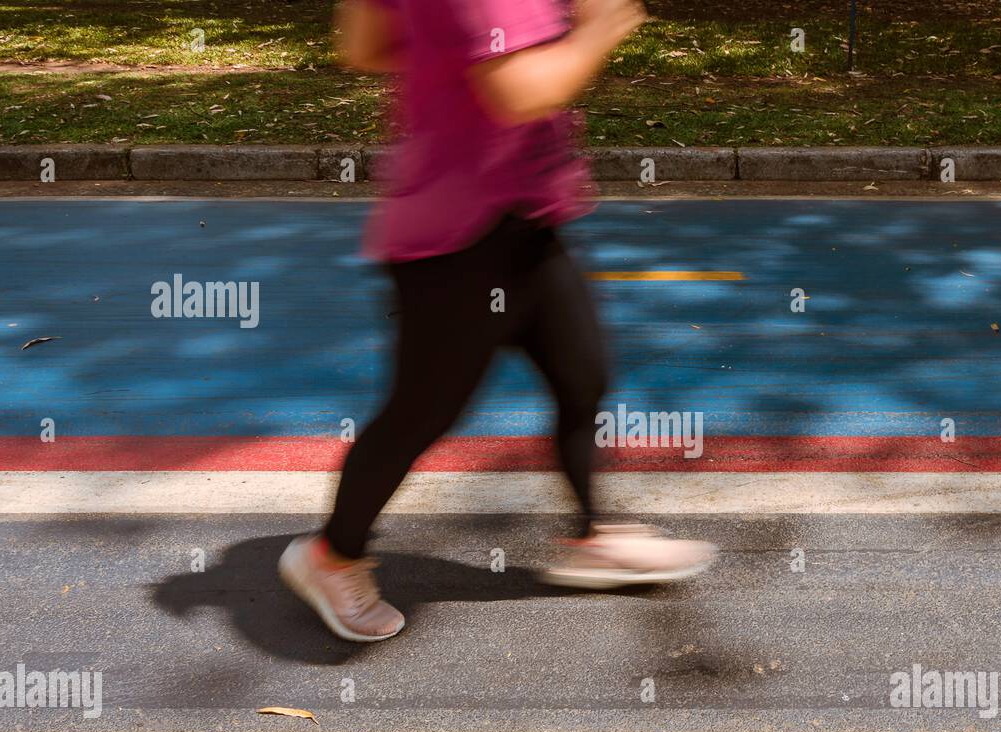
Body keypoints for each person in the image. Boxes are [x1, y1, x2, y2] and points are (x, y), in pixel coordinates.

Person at [279, 0, 717, 642]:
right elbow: (518, 92)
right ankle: (330, 556)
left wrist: (444, 57)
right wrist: (599, 27)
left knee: (581, 374)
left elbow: (366, 47)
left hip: (522, 218)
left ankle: (591, 537)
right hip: (459, 242)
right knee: (421, 413)